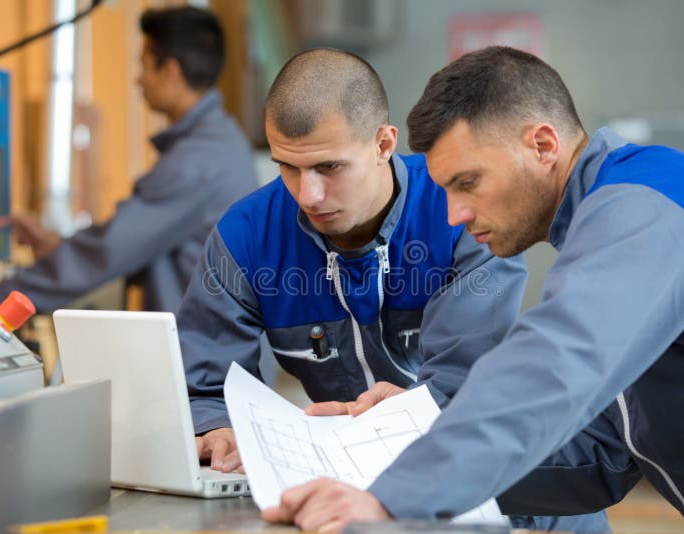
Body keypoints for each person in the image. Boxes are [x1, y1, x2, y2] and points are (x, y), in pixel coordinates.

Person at [262, 45, 684, 533]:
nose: (454, 214)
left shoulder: (650, 205)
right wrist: (391, 447)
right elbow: (602, 453)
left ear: (542, 145)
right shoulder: (609, 222)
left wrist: (395, 497)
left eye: (468, 182)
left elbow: (555, 362)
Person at [177, 48, 609, 532]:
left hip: (503, 487)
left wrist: (401, 408)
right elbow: (205, 384)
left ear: (383, 144)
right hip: (356, 498)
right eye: (288, 167)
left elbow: (463, 387)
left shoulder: (461, 211)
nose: (308, 195)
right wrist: (215, 426)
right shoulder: (245, 237)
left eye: (329, 167)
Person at [0, 6, 257, 313]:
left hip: (201, 353)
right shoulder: (222, 141)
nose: (138, 81)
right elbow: (128, 243)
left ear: (171, 71)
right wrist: (58, 245)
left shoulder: (197, 160)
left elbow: (109, 252)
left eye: (145, 66)